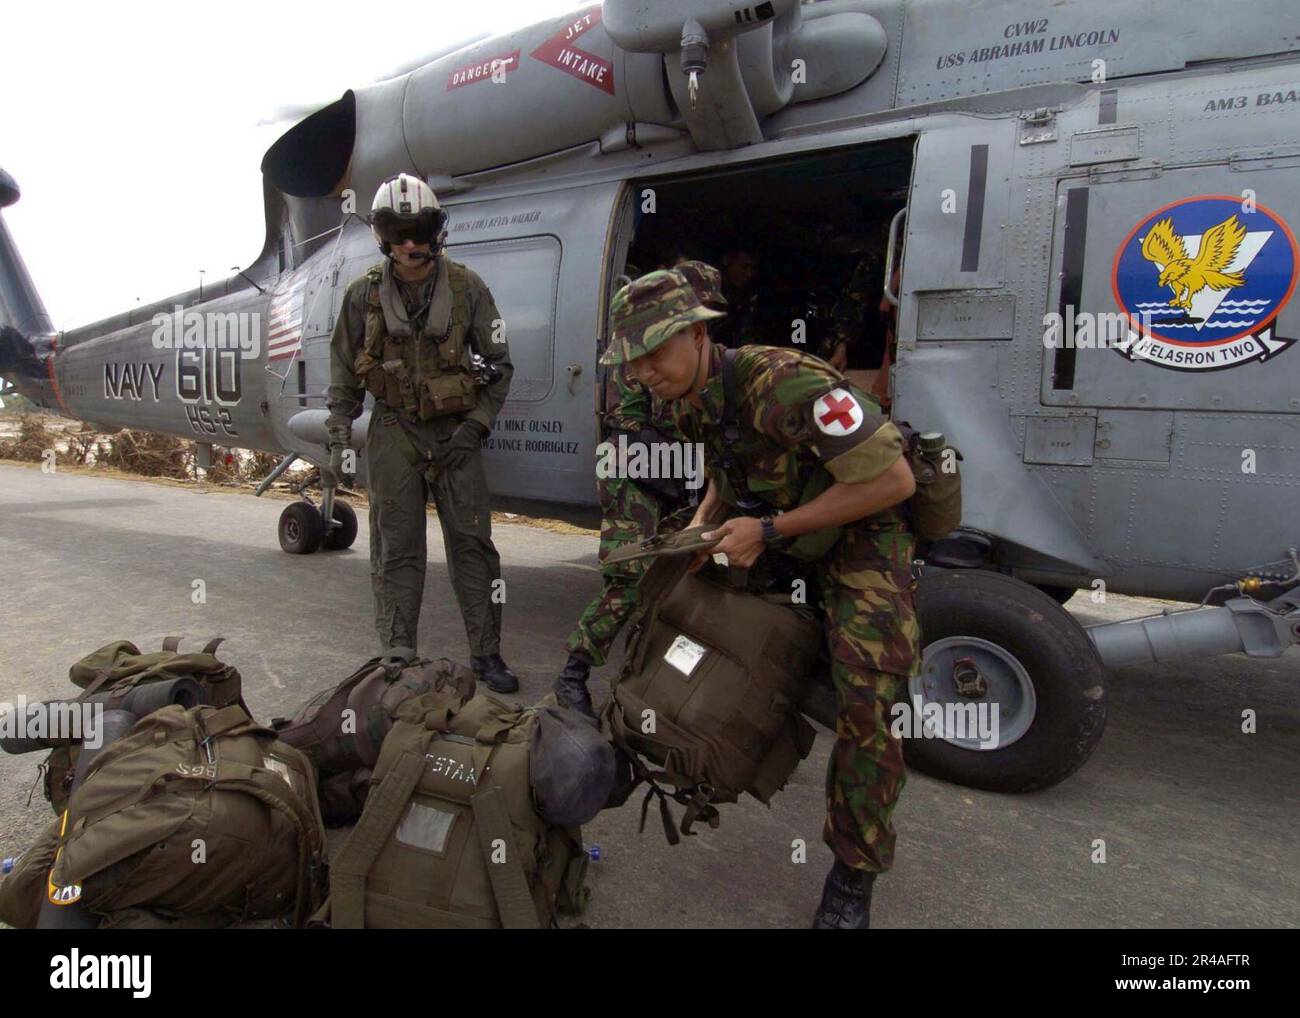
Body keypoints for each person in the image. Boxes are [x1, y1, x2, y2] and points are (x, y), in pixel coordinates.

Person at [600, 269, 919, 930]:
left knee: (869, 701)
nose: (642, 374)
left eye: (653, 352)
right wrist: (703, 523)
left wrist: (768, 532)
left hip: (862, 530)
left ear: (696, 334)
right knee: (676, 607)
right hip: (784, 523)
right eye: (630, 362)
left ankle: (855, 872)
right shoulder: (685, 393)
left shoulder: (785, 381)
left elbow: (894, 480)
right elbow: (727, 465)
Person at [325, 173, 519, 693]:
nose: (410, 244)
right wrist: (339, 426)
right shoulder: (361, 296)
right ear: (382, 237)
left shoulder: (468, 289)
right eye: (398, 231)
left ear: (437, 231)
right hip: (393, 433)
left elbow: (500, 366)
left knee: (474, 547)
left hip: (457, 434)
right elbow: (344, 366)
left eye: (419, 230)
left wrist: (475, 426)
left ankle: (486, 654)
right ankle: (397, 653)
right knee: (395, 548)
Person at [554, 260, 727, 718]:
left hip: (686, 477)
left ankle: (647, 682)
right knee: (629, 580)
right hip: (634, 470)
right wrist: (674, 446)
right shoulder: (642, 358)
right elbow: (624, 420)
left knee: (684, 580)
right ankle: (572, 675)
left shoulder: (720, 363)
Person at [711, 247, 761, 349]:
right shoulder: (709, 290)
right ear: (727, 261)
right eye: (743, 266)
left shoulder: (746, 294)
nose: (749, 274)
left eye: (753, 268)